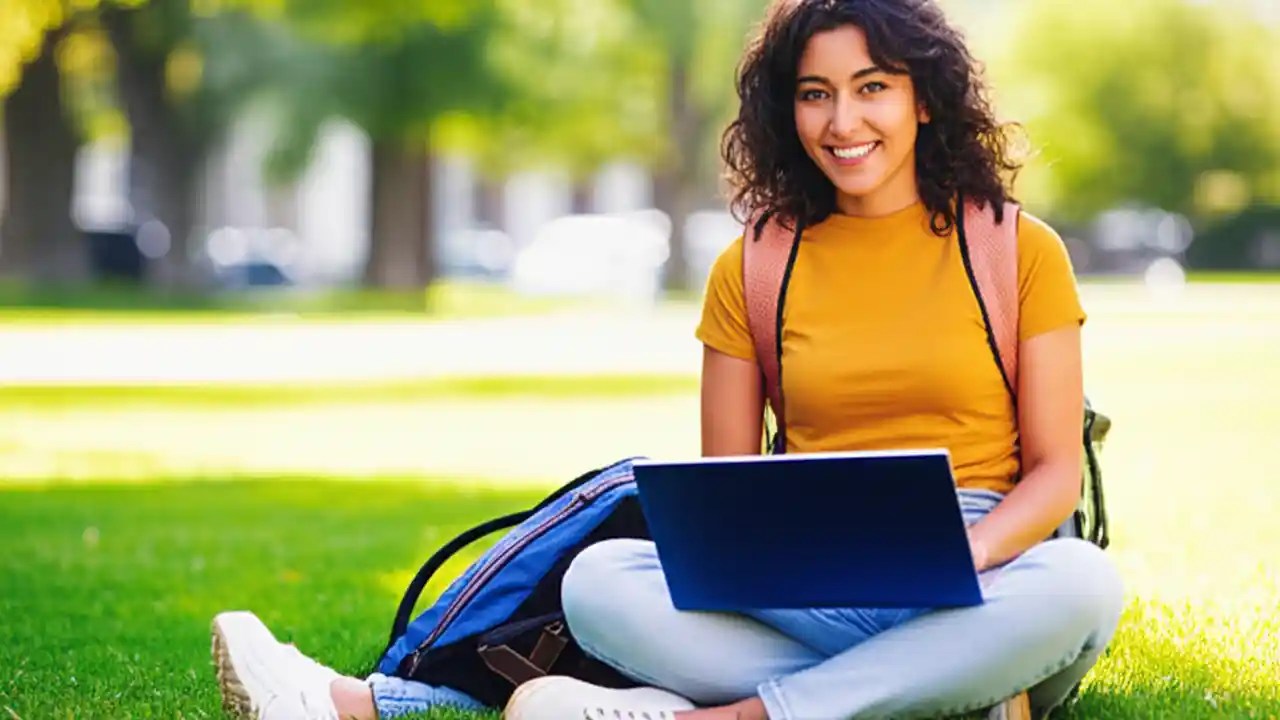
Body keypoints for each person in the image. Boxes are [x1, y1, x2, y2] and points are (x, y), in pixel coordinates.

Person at [210, 0, 1123, 718]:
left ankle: (739, 714)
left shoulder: (1015, 249)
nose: (843, 120)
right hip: (810, 578)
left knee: (1080, 584)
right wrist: (798, 568)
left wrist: (967, 558)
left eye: (872, 87)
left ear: (923, 97)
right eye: (815, 93)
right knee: (602, 582)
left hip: (987, 577)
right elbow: (730, 499)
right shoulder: (756, 266)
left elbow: (1053, 474)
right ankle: (952, 691)